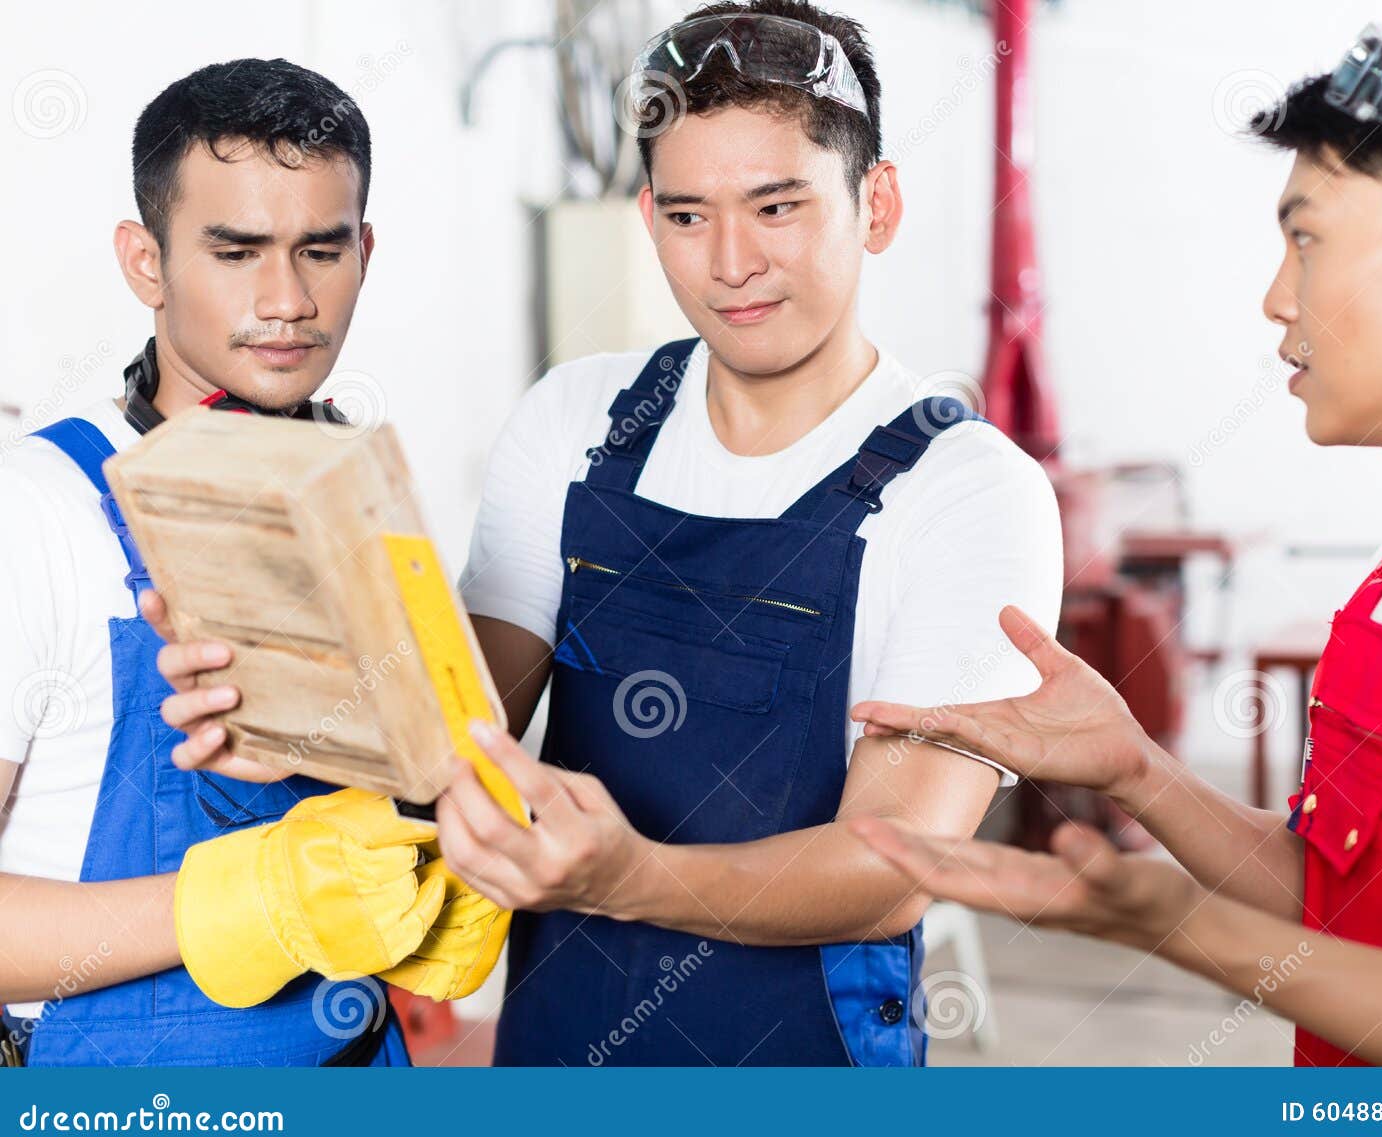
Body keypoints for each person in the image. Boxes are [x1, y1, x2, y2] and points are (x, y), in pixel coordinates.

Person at [161, 0, 1063, 1067]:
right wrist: (283, 683)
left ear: (876, 202)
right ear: (648, 218)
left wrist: (627, 875)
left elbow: (896, 867)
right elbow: (463, 731)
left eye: (776, 207)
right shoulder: (580, 422)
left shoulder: (965, 489)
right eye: (687, 216)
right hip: (560, 1047)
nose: (729, 263)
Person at [849, 7, 1382, 1066]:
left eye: (1307, 236)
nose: (1273, 296)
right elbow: (1352, 902)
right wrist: (1138, 772)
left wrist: (1183, 926)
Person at [0, 59, 497, 1068]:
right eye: (235, 252)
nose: (286, 299)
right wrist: (250, 895)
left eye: (321, 250)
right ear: (146, 261)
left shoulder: (356, 499)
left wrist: (447, 856)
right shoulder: (36, 510)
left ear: (364, 250)